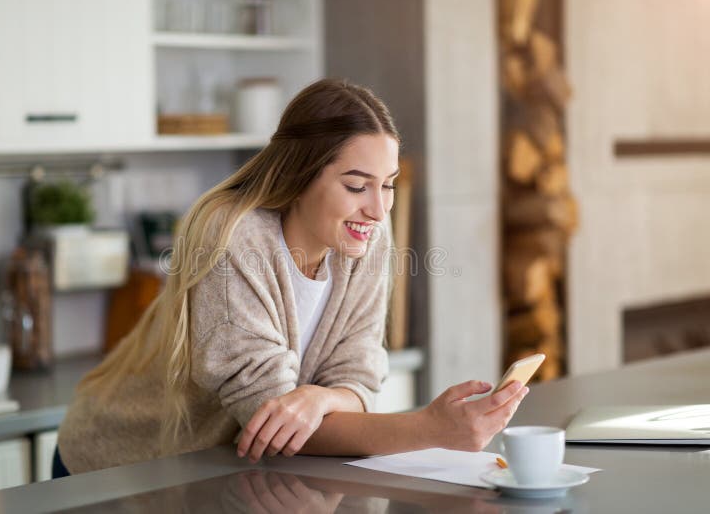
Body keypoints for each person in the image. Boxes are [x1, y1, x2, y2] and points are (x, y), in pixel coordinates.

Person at [54, 79, 527, 477]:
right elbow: (274, 423)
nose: (379, 209)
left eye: (388, 185)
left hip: (208, 471)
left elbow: (358, 376)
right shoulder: (232, 236)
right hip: (116, 466)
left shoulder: (363, 241)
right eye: (356, 186)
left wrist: (320, 396)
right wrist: (430, 429)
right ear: (300, 176)